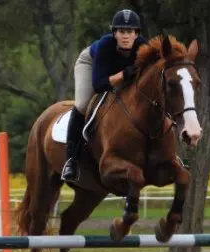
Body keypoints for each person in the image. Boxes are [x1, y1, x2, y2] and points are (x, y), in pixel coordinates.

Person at [61, 9, 147, 182]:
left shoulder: (143, 47)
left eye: (130, 32)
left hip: (117, 71)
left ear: (136, 34)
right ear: (114, 33)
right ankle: (71, 160)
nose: (125, 36)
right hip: (91, 64)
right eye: (121, 31)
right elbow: (99, 84)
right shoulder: (106, 45)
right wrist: (123, 74)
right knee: (83, 104)